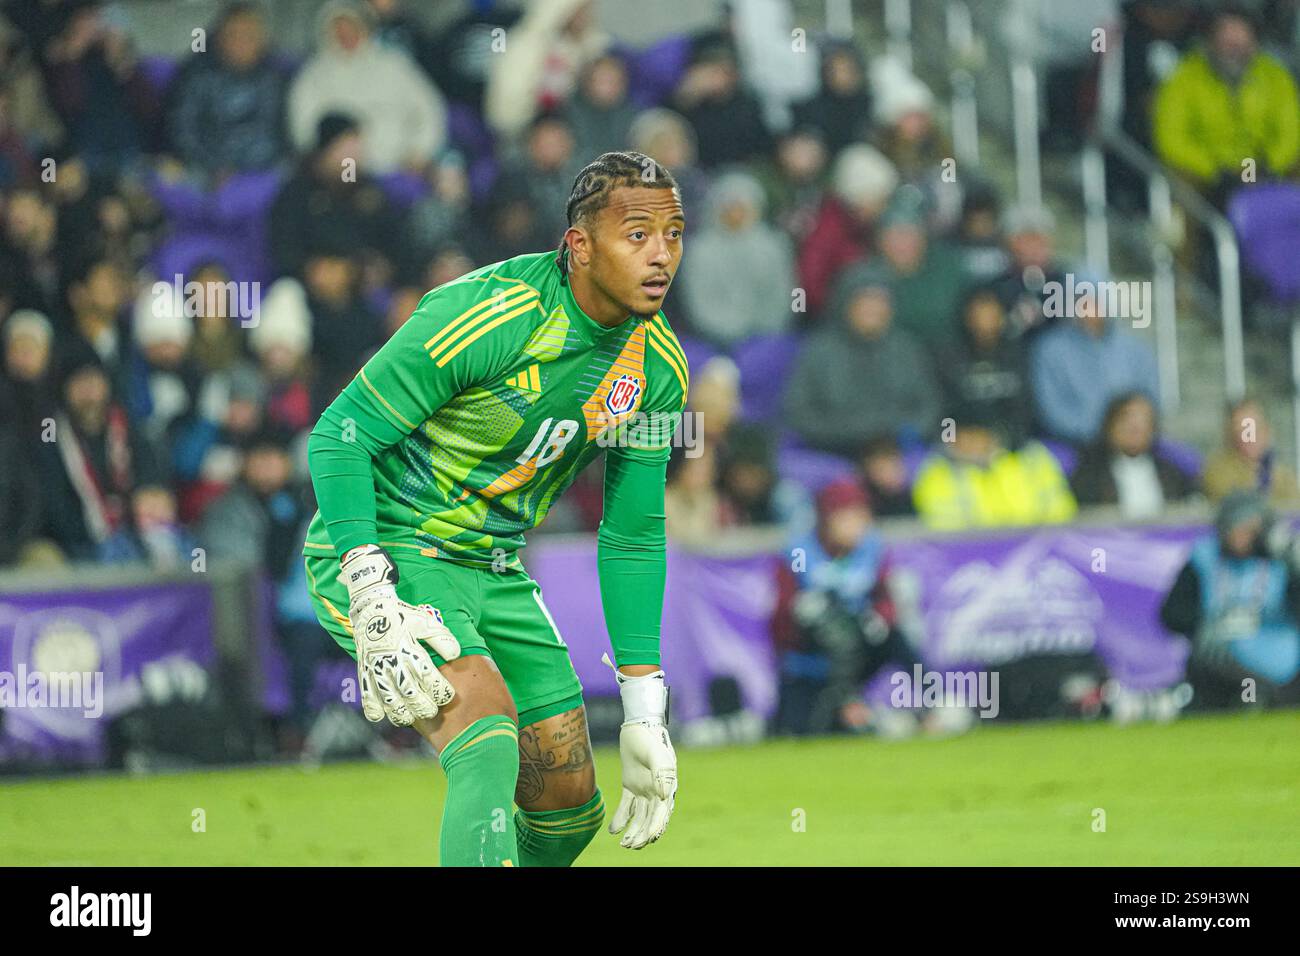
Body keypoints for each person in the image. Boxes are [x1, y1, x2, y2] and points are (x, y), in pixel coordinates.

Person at [302, 151, 686, 865]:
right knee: (487, 737)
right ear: (579, 245)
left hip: (497, 569)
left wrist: (643, 706)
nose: (661, 255)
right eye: (638, 235)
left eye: (673, 234)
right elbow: (339, 434)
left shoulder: (658, 370)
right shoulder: (489, 312)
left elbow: (633, 536)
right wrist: (367, 584)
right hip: (393, 547)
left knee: (570, 812)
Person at [770, 478, 919, 736]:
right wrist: (800, 613)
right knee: (798, 730)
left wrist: (881, 616)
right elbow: (780, 619)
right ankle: (848, 712)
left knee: (897, 637)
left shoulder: (872, 548)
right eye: (847, 518)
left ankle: (936, 704)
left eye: (861, 517)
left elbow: (885, 597)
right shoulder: (800, 552)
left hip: (859, 647)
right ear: (827, 519)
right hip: (811, 655)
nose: (857, 526)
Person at [1160, 492, 1300, 708]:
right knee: (1208, 664)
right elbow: (1171, 613)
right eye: (1237, 528)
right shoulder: (1203, 558)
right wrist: (1203, 624)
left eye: (1250, 530)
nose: (1242, 536)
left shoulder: (1281, 561)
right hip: (1223, 660)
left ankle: (1263, 698)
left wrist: (1295, 564)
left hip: (1280, 656)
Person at [783, 264, 939, 457]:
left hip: (896, 452)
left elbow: (928, 407)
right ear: (845, 303)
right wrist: (852, 433)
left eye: (881, 301)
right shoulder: (819, 350)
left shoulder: (907, 348)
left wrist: (898, 433)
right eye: (865, 301)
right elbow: (798, 412)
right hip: (832, 453)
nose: (873, 309)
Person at [1153, 5, 1300, 204]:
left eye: (1241, 40)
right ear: (1210, 41)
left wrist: (1268, 165)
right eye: (1227, 40)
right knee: (1182, 183)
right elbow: (1171, 138)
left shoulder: (1275, 77)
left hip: (1266, 167)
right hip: (1209, 172)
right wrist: (1215, 170)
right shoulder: (1183, 78)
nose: (1234, 49)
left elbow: (1292, 132)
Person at [288, 1, 446, 175]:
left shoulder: (394, 65)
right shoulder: (314, 75)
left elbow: (428, 109)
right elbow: (303, 128)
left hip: (401, 163)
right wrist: (328, 158)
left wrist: (420, 151)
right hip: (346, 169)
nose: (346, 34)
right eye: (339, 28)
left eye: (351, 27)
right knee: (350, 193)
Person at [166, 1, 289, 178]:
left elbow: (275, 134)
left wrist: (245, 170)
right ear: (220, 38)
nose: (241, 44)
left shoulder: (273, 78)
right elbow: (183, 132)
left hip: (261, 171)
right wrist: (214, 167)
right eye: (234, 35)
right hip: (205, 171)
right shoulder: (196, 76)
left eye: (249, 36)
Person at [1029, 286, 1160, 447]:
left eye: (1095, 302)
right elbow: (1050, 409)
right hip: (1072, 444)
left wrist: (1130, 431)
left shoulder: (1134, 348)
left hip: (1133, 442)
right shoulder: (1049, 349)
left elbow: (1150, 399)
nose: (1089, 310)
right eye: (1082, 302)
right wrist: (1098, 432)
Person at [678, 170, 794, 349]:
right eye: (730, 207)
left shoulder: (774, 247)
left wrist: (763, 331)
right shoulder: (700, 251)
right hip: (711, 341)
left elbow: (784, 295)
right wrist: (732, 332)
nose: (736, 214)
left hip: (767, 338)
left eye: (743, 207)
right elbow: (699, 303)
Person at [912, 412, 1077, 530]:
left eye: (976, 434)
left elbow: (1061, 511)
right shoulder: (936, 475)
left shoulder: (1033, 459)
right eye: (963, 436)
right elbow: (942, 528)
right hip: (970, 562)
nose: (971, 443)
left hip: (1040, 554)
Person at [1070, 391, 1196, 519]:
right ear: (1110, 425)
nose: (1136, 428)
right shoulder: (1089, 474)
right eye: (1127, 420)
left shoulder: (1172, 474)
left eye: (1143, 421)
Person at [1202, 397, 1300, 505]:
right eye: (1238, 431)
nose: (1244, 438)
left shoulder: (1282, 474)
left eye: (1250, 429)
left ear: (1266, 431)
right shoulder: (1217, 470)